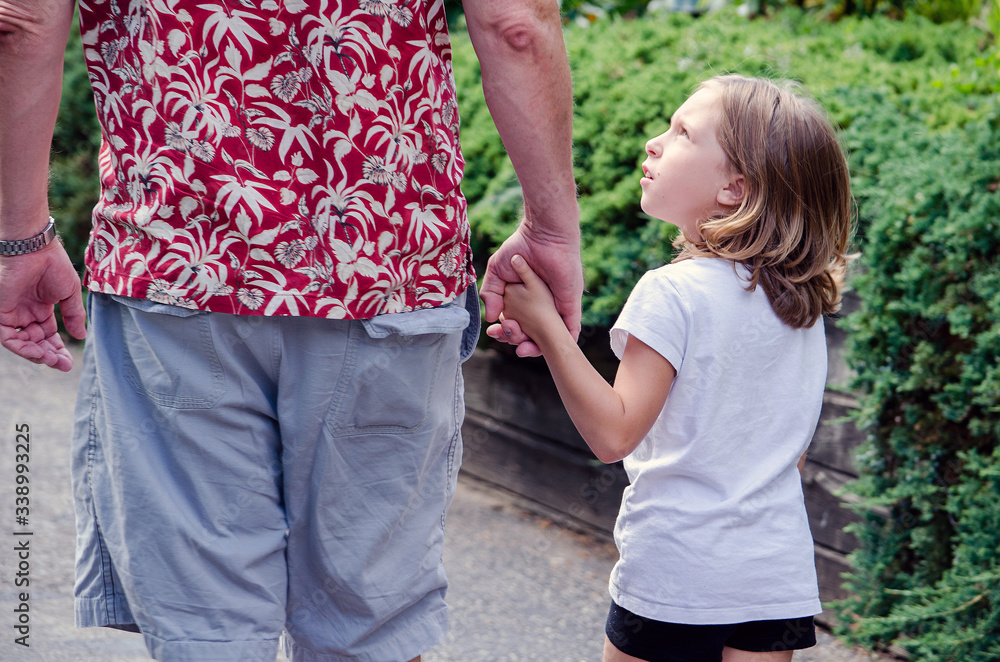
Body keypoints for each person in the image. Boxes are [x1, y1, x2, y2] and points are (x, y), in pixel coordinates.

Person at [0, 0, 581, 660]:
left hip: (179, 264)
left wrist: (20, 235)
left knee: (208, 628)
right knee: (369, 628)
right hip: (383, 263)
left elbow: (21, 22)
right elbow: (517, 26)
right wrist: (550, 229)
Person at [497, 74, 853, 662]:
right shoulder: (801, 304)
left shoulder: (673, 293)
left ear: (736, 188)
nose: (654, 143)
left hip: (678, 574)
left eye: (683, 132)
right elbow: (790, 452)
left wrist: (547, 329)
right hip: (775, 574)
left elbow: (614, 433)